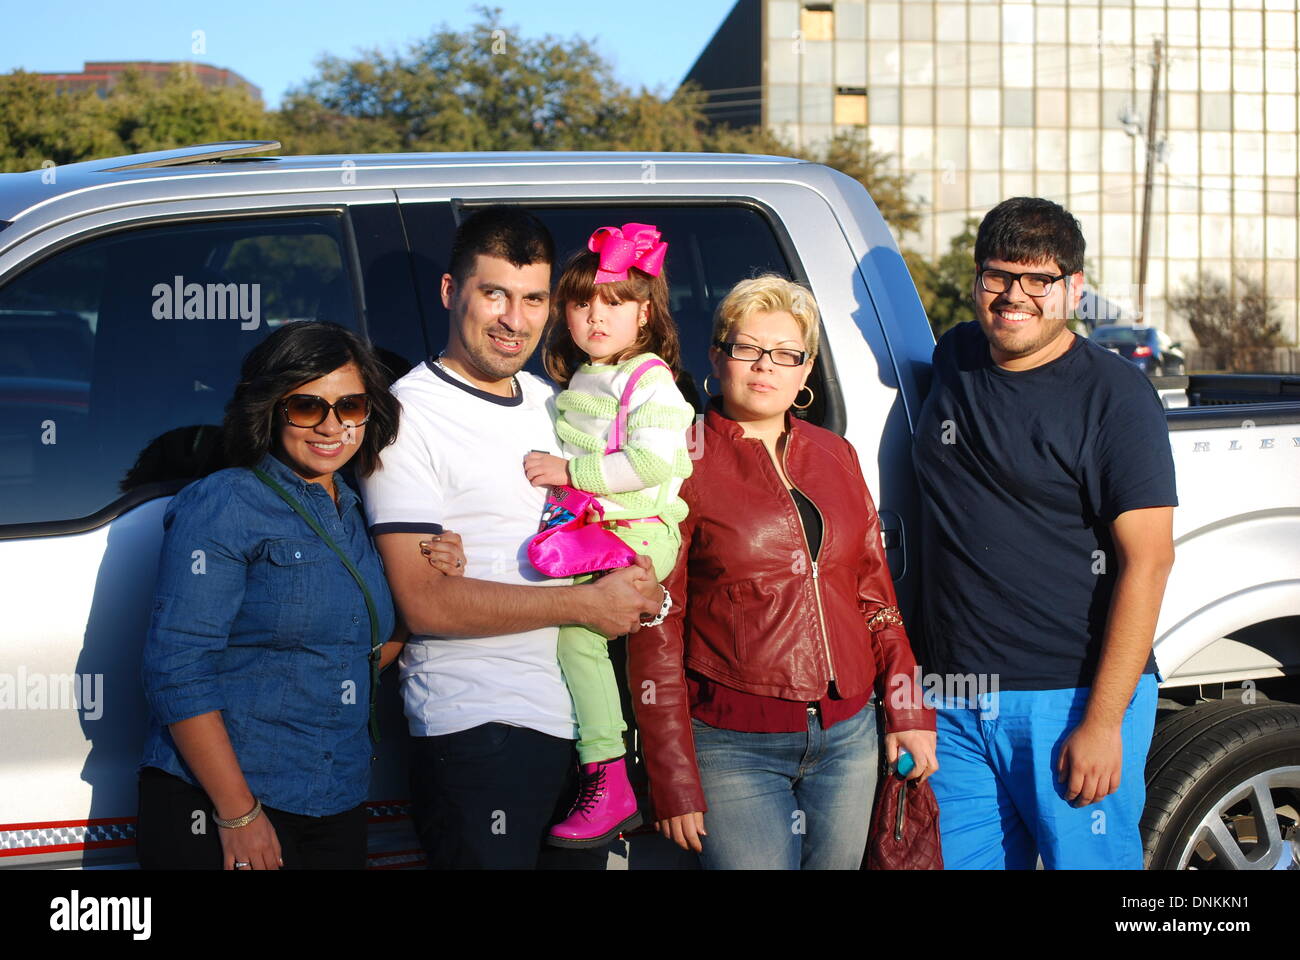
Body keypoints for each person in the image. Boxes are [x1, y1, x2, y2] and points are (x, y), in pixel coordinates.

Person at [360, 206, 663, 870]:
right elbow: (426, 605)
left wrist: (643, 587)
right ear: (451, 293)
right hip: (477, 729)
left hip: (582, 734)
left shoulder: (557, 403)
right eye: (493, 293)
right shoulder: (407, 417)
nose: (514, 318)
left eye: (533, 299)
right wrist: (585, 606)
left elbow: (623, 525)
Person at [629, 274, 937, 869]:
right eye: (746, 348)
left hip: (850, 737)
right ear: (717, 357)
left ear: (805, 371)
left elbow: (876, 599)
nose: (764, 366)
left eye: (785, 354)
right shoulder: (679, 457)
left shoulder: (835, 454)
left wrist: (907, 711)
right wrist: (670, 771)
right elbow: (657, 621)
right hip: (732, 743)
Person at [136, 320, 465, 870]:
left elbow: (357, 658)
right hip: (226, 802)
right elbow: (176, 669)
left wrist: (430, 579)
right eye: (308, 407)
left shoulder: (360, 511)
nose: (332, 426)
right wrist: (238, 814)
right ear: (270, 409)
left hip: (336, 798)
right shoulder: (226, 501)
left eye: (351, 406)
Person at [912, 197, 1177, 869]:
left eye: (1039, 281)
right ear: (976, 278)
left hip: (1069, 698)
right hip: (954, 702)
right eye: (998, 275)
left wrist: (1103, 721)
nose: (1014, 296)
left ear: (1074, 289)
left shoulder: (1115, 397)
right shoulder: (956, 356)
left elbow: (1148, 561)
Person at [518, 224, 695, 847]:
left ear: (644, 313)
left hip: (641, 531)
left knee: (575, 634)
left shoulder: (650, 382)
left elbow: (648, 464)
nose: (596, 315)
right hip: (603, 528)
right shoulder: (587, 378)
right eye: (582, 301)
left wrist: (570, 472)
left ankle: (609, 774)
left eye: (615, 301)